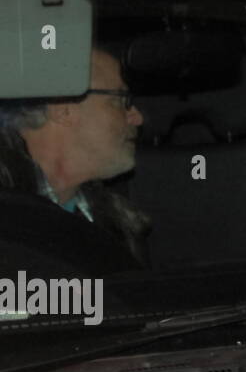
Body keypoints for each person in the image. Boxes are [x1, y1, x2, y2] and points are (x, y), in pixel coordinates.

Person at [0, 47, 149, 267]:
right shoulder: (7, 216)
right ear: (63, 108)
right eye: (121, 100)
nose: (137, 117)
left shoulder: (116, 222)